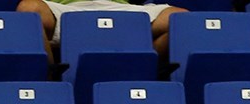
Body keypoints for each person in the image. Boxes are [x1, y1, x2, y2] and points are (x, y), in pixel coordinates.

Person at [14, 0, 187, 56]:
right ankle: (49, 80)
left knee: (182, 19)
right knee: (29, 9)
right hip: (66, 8)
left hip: (119, 8)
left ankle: (143, 70)